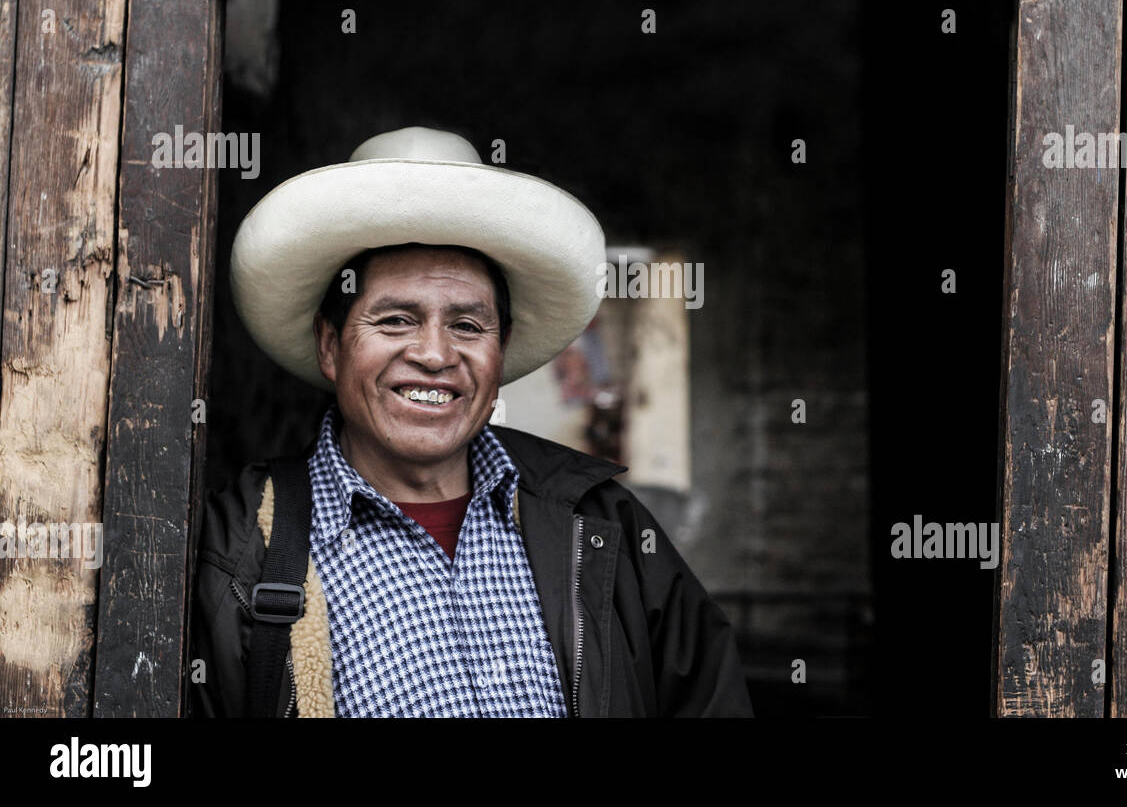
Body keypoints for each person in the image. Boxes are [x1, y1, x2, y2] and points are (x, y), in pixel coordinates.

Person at [189, 126, 752, 717]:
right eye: (396, 320)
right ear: (331, 346)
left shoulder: (600, 521)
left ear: (500, 351)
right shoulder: (238, 552)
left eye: (467, 325)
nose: (435, 355)